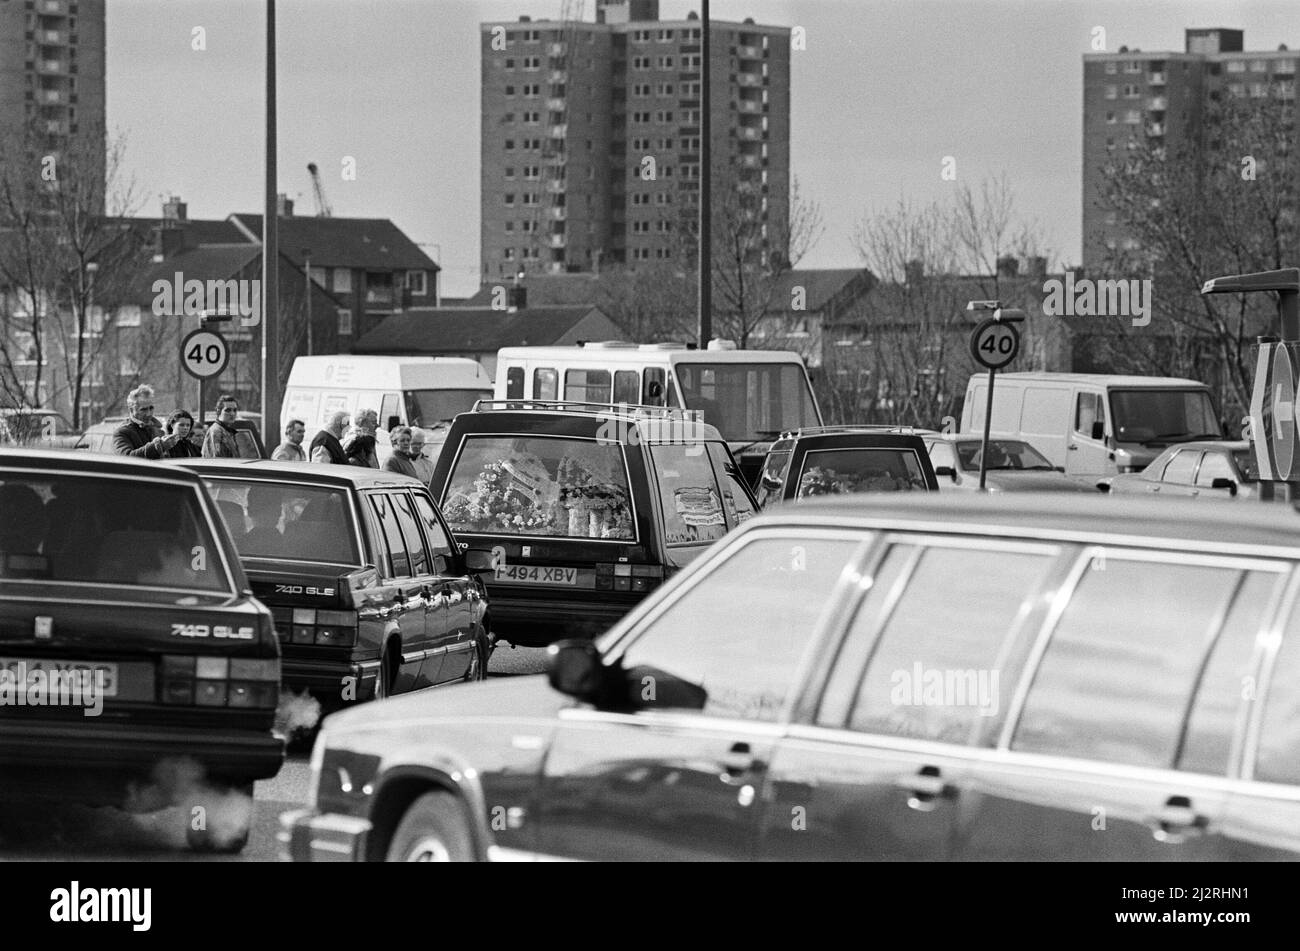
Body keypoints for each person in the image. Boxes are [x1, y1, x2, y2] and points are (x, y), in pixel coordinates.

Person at [113, 385, 186, 458]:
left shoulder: (159, 430)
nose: (149, 414)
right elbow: (126, 459)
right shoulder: (122, 432)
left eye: (151, 408)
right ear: (131, 410)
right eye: (143, 409)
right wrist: (159, 446)